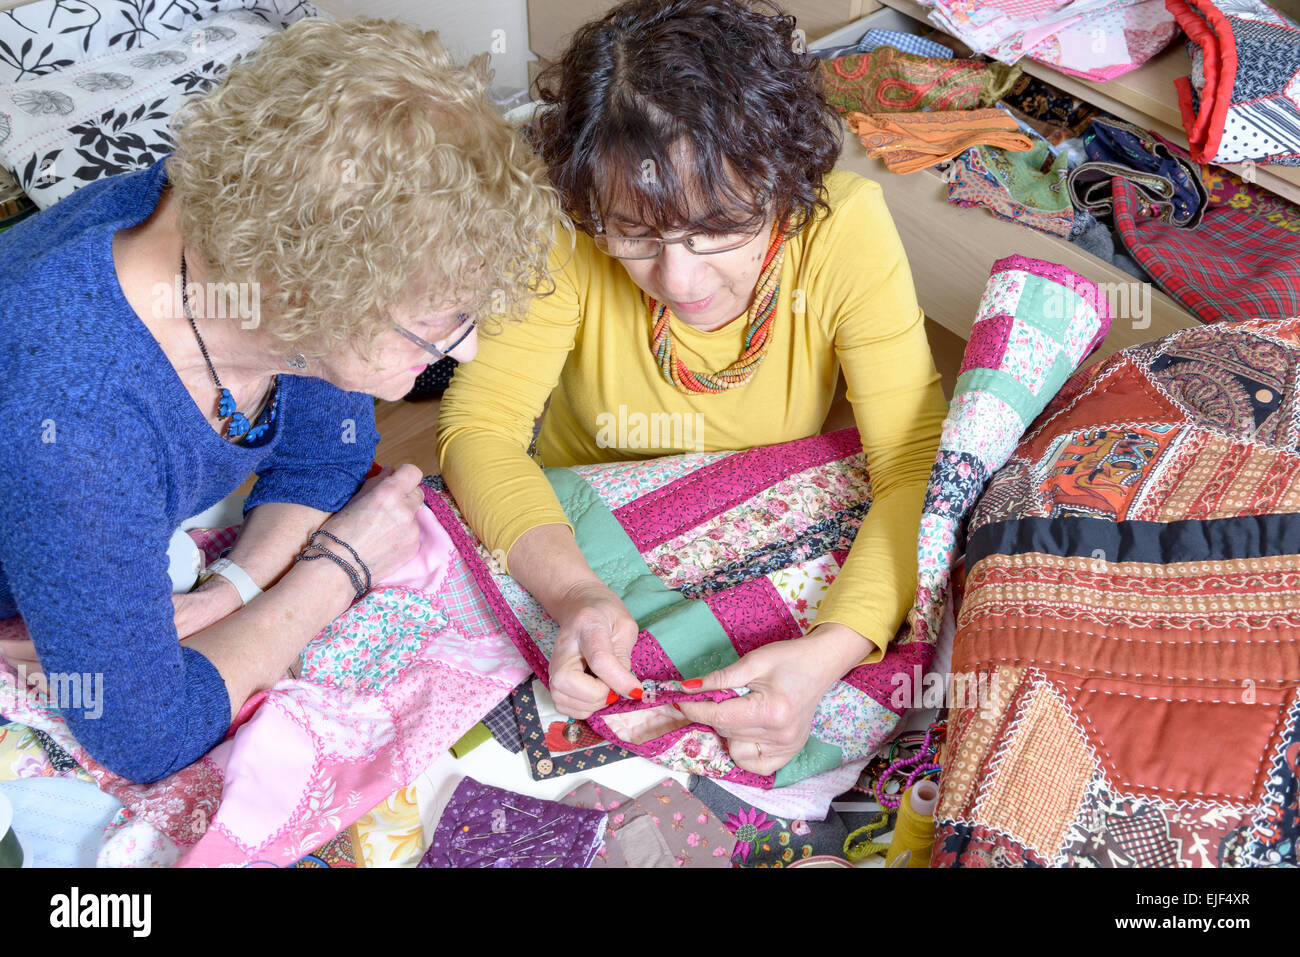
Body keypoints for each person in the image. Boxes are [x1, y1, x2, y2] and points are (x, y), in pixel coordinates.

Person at [0, 17, 558, 784]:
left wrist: (238, 586)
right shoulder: (77, 405)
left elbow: (328, 451)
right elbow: (148, 736)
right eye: (436, 323)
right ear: (305, 294)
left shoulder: (257, 236)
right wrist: (338, 568)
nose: (464, 350)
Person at [437, 0, 948, 776]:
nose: (678, 277)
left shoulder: (843, 228)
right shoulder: (565, 227)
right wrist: (576, 595)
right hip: (586, 533)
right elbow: (479, 429)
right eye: (635, 234)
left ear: (783, 180)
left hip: (772, 529)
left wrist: (828, 651)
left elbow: (914, 464)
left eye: (716, 227)